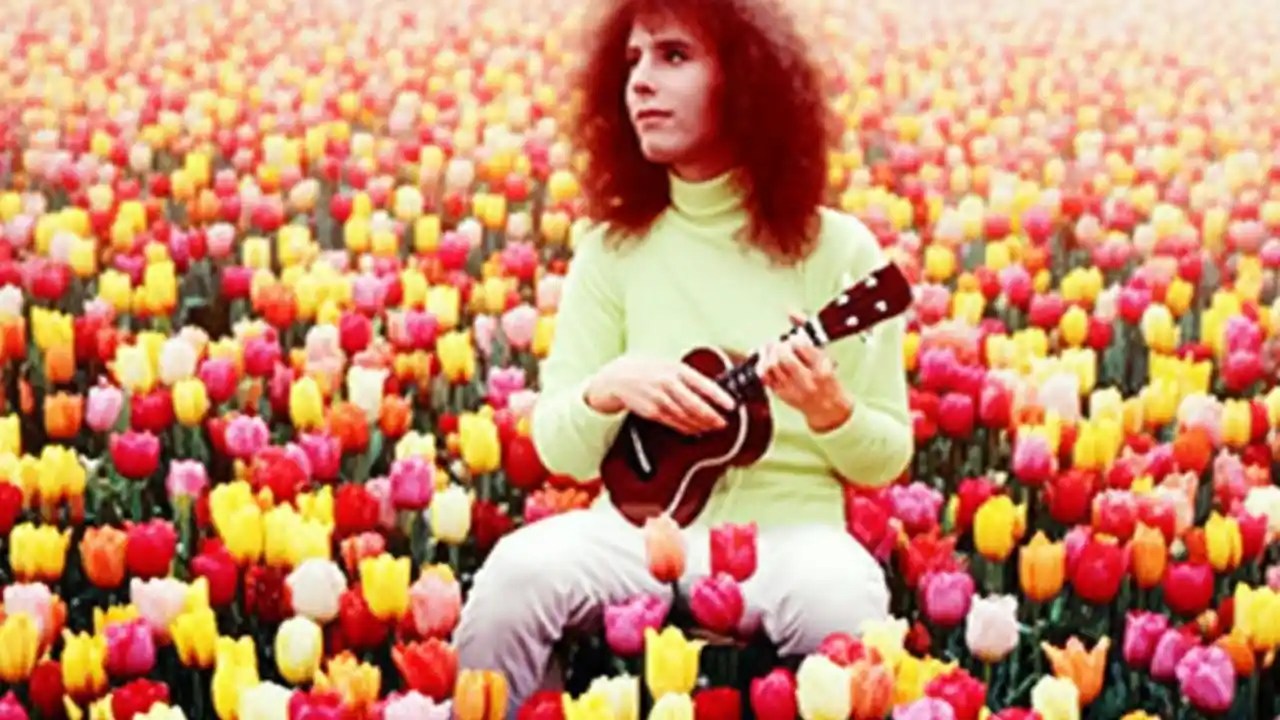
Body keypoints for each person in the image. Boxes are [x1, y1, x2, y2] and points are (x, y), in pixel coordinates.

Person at [454, 0, 913, 711]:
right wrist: (609, 388)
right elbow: (561, 450)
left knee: (844, 602)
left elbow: (885, 456)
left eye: (673, 57)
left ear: (746, 79)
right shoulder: (612, 251)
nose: (640, 81)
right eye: (632, 60)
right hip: (636, 531)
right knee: (516, 575)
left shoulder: (839, 250)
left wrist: (830, 410)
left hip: (791, 537)